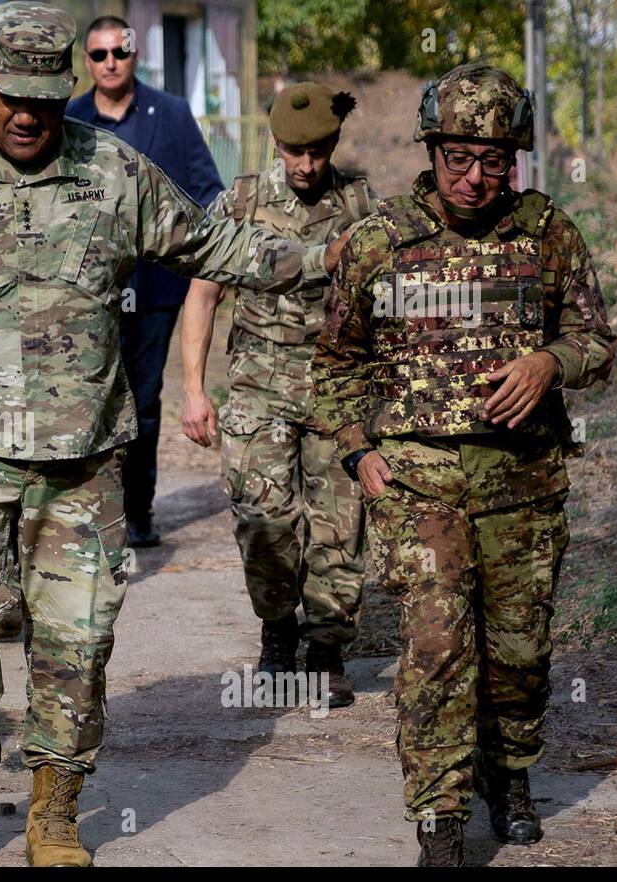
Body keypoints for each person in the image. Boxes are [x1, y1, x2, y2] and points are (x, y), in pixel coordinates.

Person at [0, 1, 348, 867]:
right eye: (11, 98)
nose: (28, 116)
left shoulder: (116, 172)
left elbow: (216, 244)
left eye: (44, 98)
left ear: (65, 87)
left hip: (82, 458)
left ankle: (55, 804)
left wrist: (334, 256)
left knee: (77, 643)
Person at [312, 63, 616, 866]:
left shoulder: (547, 234)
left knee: (519, 653)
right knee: (438, 646)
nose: (476, 177)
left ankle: (509, 772)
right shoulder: (380, 241)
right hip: (419, 487)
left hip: (524, 485)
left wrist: (551, 361)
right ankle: (440, 820)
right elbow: (335, 366)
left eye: (494, 160)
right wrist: (358, 452)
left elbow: (600, 346)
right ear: (432, 148)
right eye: (459, 158)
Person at [179, 81, 375, 706]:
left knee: (338, 527)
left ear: (333, 144)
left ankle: (326, 651)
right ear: (275, 144)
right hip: (257, 385)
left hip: (336, 389)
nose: (305, 165)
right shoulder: (240, 201)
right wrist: (193, 390)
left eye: (317, 152)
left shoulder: (362, 204)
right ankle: (276, 631)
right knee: (263, 520)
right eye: (294, 152)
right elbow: (203, 294)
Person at [65, 15, 224, 548]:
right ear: (86, 62)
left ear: (135, 56)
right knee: (87, 399)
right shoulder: (71, 118)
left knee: (145, 400)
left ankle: (138, 509)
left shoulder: (172, 114)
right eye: (99, 54)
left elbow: (208, 190)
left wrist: (201, 252)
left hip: (155, 286)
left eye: (120, 52)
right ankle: (88, 513)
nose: (111, 62)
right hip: (87, 289)